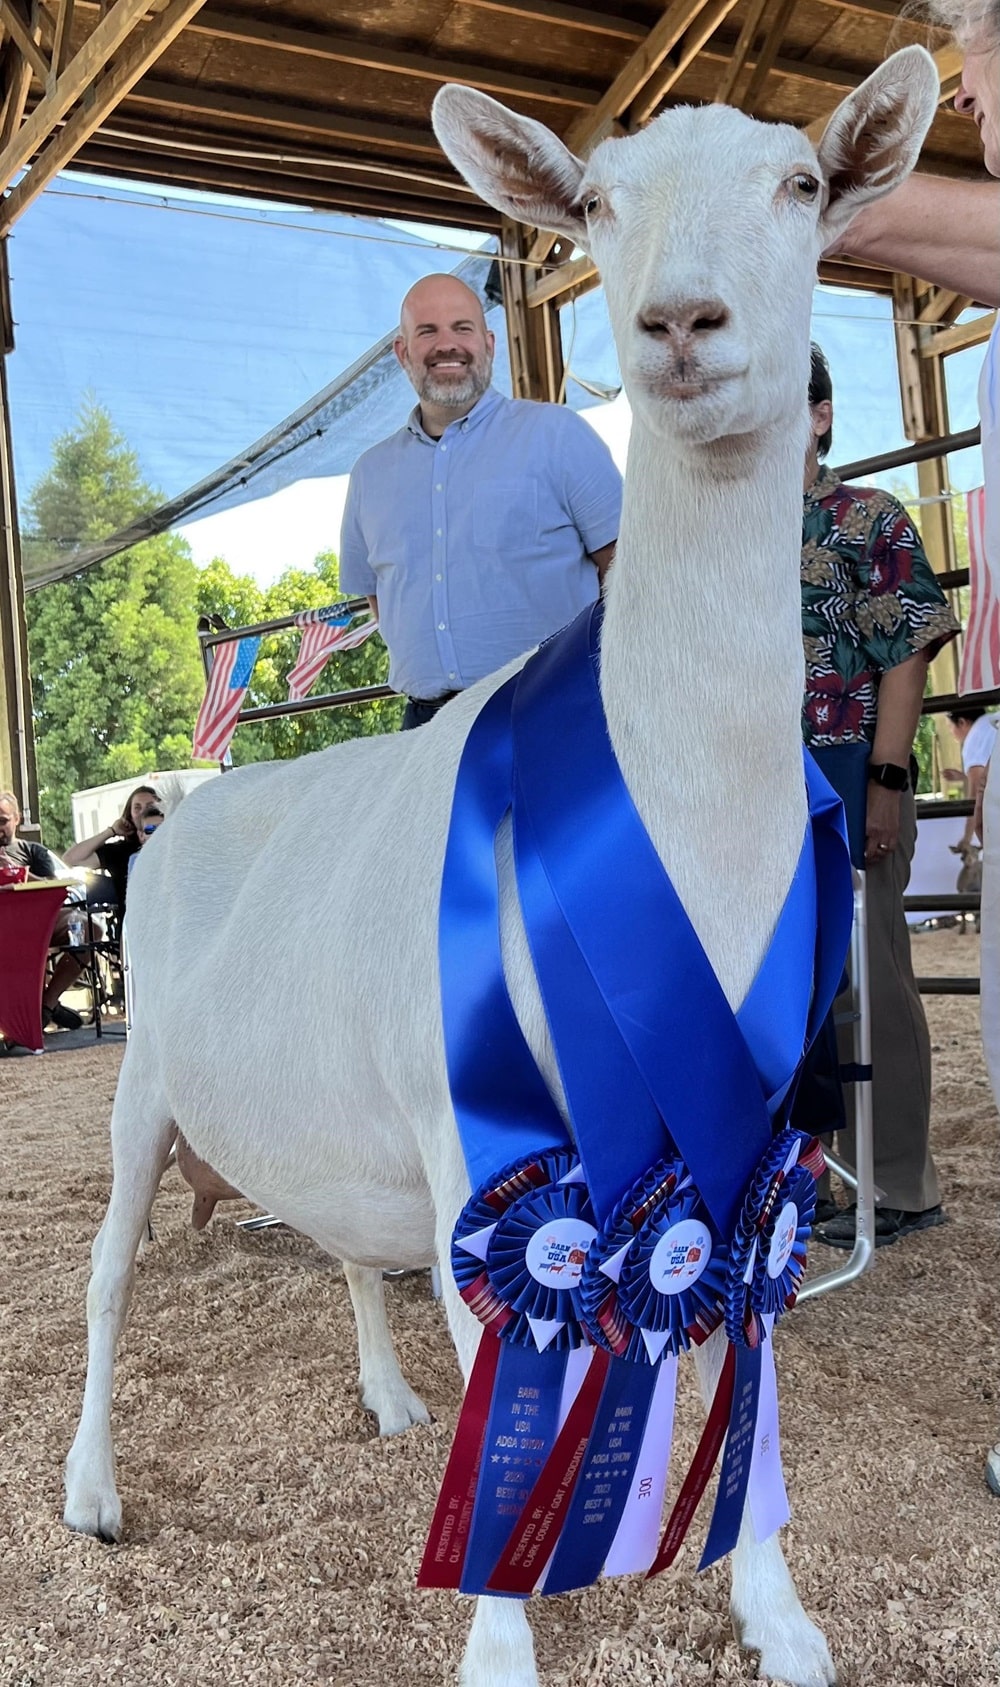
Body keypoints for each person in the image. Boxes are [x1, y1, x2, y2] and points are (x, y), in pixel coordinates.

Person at [799, 344, 960, 1249]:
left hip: (849, 763)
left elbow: (908, 651)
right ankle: (815, 1175)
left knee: (872, 971)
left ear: (821, 415)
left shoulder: (870, 519)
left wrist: (888, 780)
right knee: (794, 984)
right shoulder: (723, 526)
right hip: (750, 779)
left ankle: (898, 1178)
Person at [339, 273, 623, 729]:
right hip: (424, 732)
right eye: (427, 331)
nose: (446, 344)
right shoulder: (370, 474)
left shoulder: (557, 435)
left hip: (557, 715)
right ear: (402, 352)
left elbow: (626, 569)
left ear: (489, 344)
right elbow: (379, 597)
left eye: (462, 328)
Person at [0, 789, 86, 1030]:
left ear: (17, 819)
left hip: (39, 921)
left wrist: (22, 874)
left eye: (3, 821)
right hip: (5, 927)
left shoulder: (33, 852)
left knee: (88, 928)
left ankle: (46, 1006)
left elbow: (55, 889)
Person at [64, 783, 159, 921]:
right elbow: (70, 858)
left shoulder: (175, 848)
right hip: (131, 927)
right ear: (130, 815)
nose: (144, 811)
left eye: (150, 806)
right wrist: (111, 831)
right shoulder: (119, 851)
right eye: (137, 808)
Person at [947, 707, 997, 844]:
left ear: (962, 723)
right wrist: (964, 776)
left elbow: (976, 792)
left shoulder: (974, 738)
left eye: (950, 727)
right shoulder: (991, 723)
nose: (951, 733)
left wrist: (968, 838)